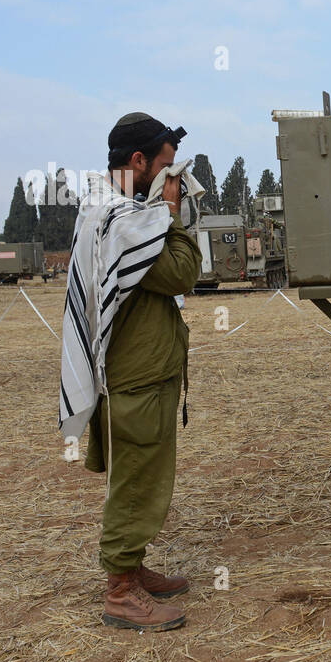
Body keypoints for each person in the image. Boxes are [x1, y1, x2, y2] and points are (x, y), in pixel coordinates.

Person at [75, 113, 202, 631]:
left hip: (139, 370)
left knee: (143, 471)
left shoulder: (119, 211)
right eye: (166, 168)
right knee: (136, 478)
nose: (172, 179)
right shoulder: (125, 221)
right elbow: (182, 273)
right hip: (137, 377)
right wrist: (170, 213)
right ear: (137, 162)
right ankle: (121, 591)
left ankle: (133, 568)